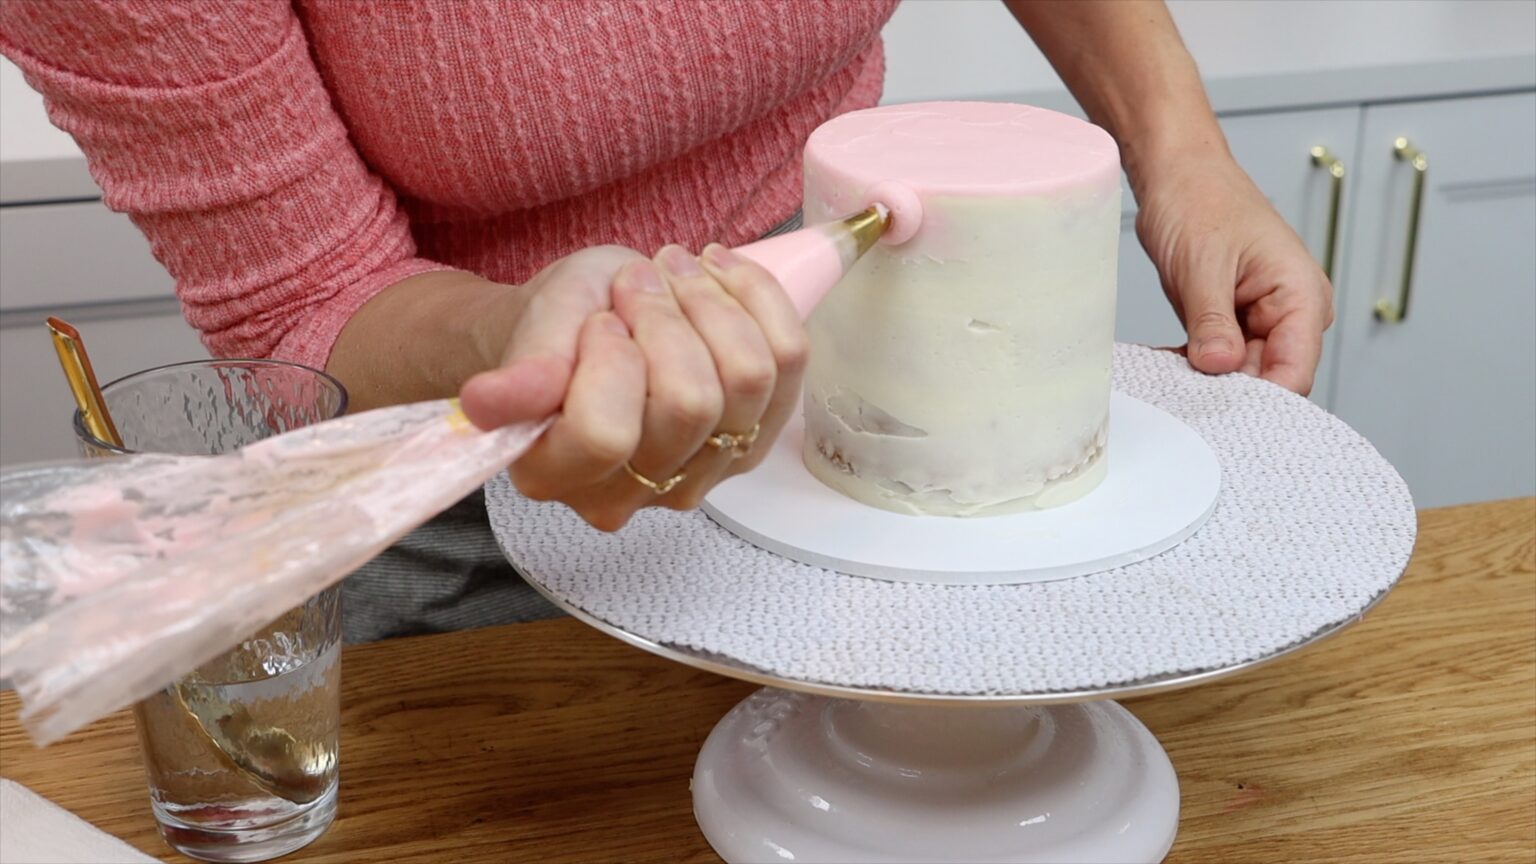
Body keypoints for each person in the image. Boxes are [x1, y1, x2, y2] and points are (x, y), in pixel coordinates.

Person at [1, 0, 1331, 641]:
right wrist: (529, 339)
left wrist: (1180, 150)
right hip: (465, 501)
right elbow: (311, 299)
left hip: (850, 429)